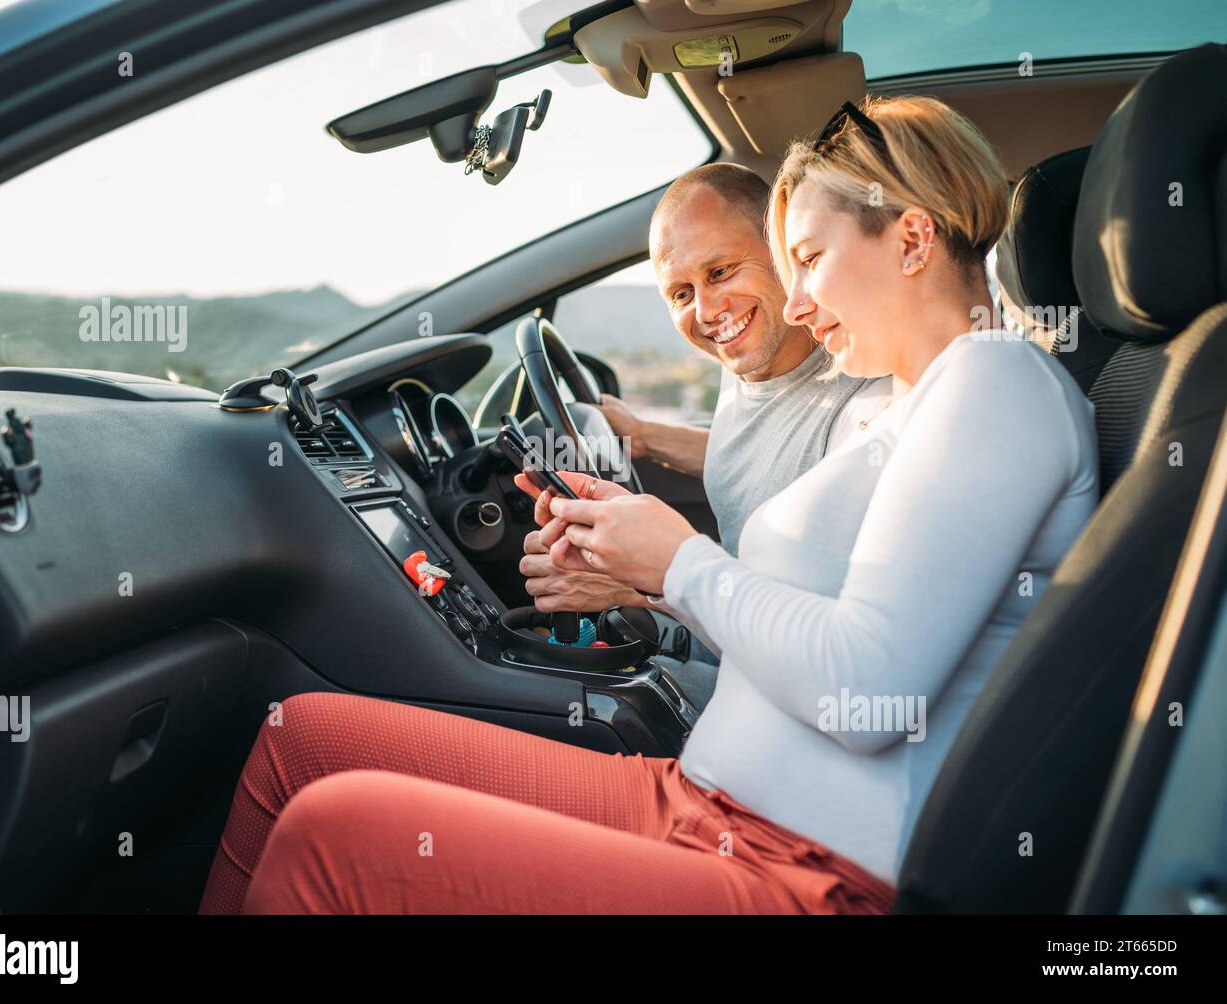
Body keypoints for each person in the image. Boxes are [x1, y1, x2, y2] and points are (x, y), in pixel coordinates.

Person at [199, 95, 1097, 916]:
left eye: (811, 259)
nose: (800, 301)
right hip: (697, 800)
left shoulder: (996, 380)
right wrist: (633, 566)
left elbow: (866, 687)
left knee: (335, 838)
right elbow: (809, 614)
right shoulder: (910, 403)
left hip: (801, 871)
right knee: (303, 739)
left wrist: (677, 562)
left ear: (911, 238)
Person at [520, 164, 888, 707]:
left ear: (781, 247)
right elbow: (760, 455)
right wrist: (643, 437)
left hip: (773, 693)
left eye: (720, 272)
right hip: (723, 640)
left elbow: (815, 656)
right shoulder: (744, 355)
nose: (708, 312)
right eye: (680, 293)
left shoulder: (863, 399)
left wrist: (640, 586)